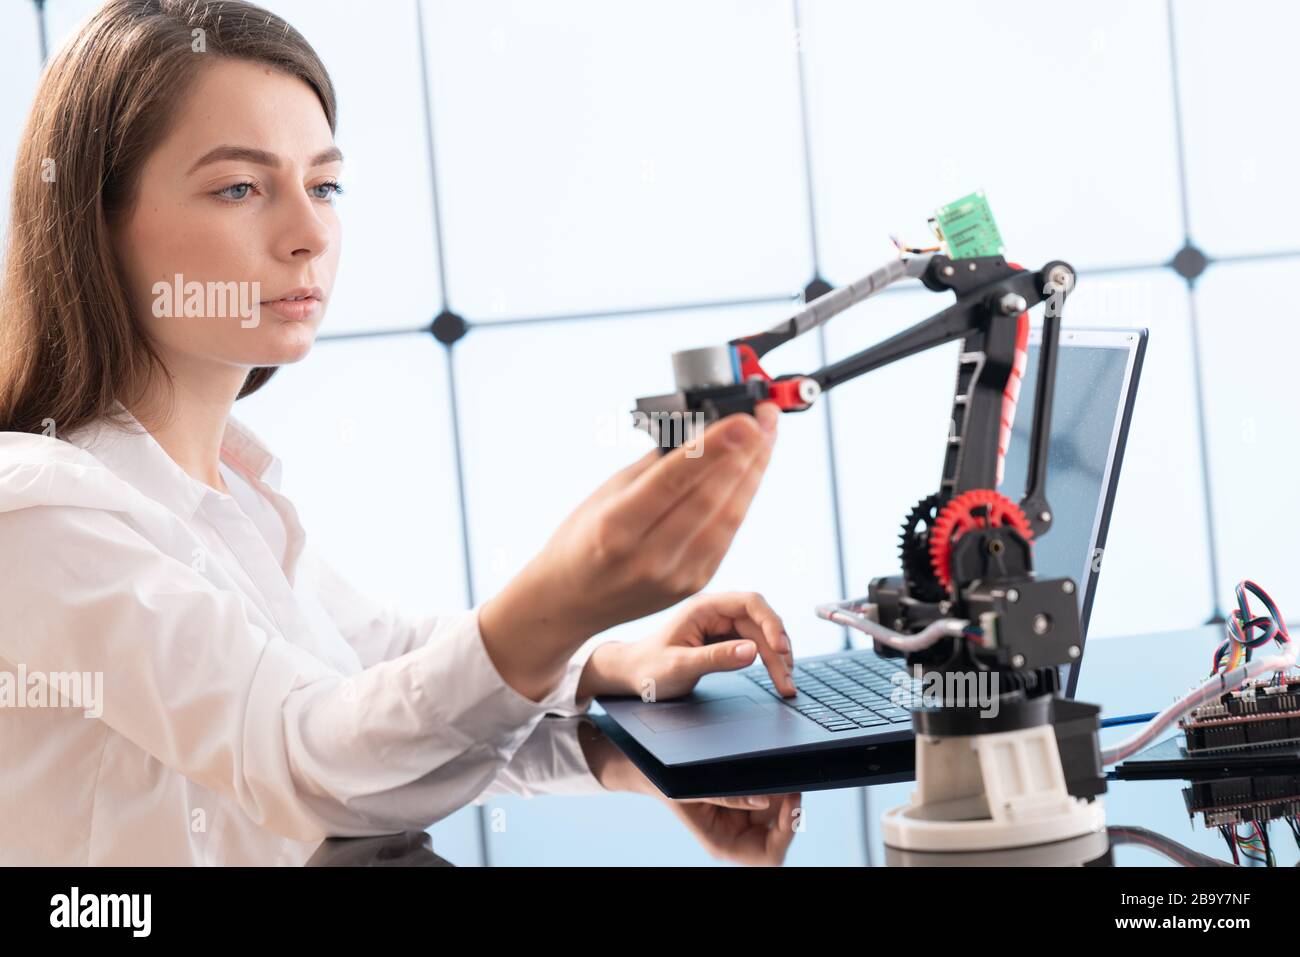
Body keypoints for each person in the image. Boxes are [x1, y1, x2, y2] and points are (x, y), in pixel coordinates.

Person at [0, 0, 796, 865]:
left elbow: (379, 682)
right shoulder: (35, 512)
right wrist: (559, 601)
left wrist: (605, 670)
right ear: (95, 220)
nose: (309, 235)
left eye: (325, 185)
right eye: (240, 187)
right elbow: (311, 759)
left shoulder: (232, 489)